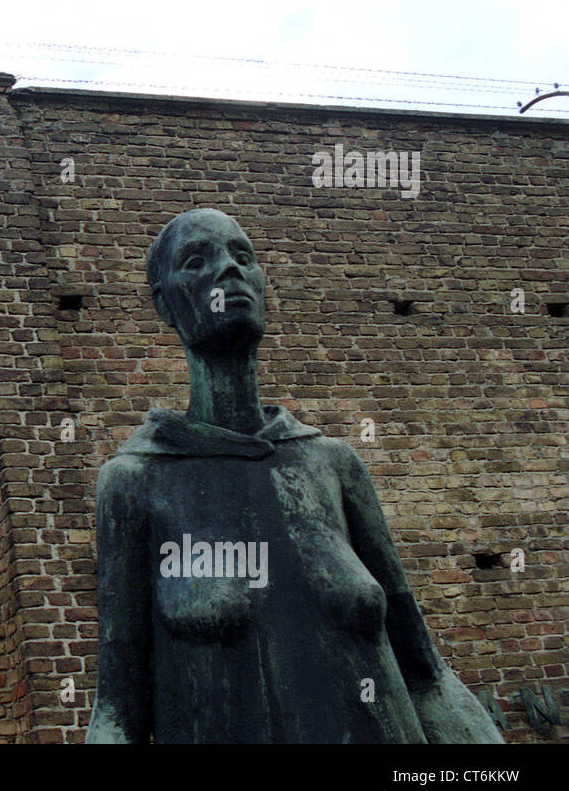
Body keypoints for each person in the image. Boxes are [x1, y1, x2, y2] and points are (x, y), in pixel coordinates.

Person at [87, 209, 502, 743]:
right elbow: (117, 711)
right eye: (197, 260)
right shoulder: (136, 482)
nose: (229, 270)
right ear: (165, 303)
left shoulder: (332, 464)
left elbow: (429, 678)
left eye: (243, 256)